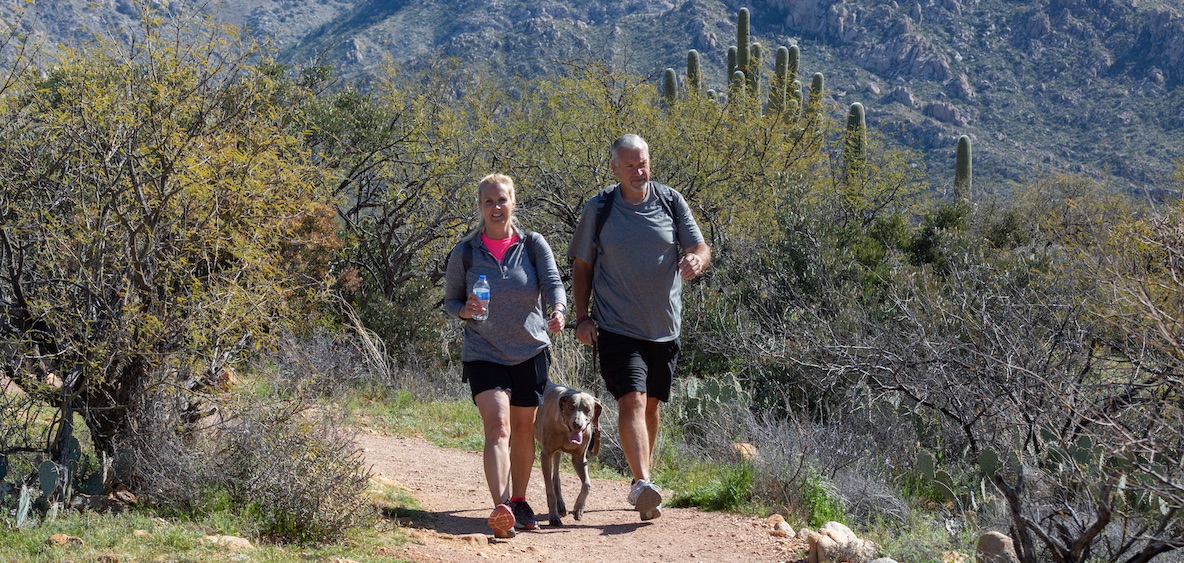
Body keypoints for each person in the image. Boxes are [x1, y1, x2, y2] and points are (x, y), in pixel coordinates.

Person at [567, 134, 711, 521]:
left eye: (643, 163)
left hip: (664, 326)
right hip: (616, 325)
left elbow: (700, 247)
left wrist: (697, 260)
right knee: (631, 399)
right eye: (630, 165)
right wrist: (582, 317)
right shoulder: (600, 208)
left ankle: (641, 480)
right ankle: (643, 483)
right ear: (615, 168)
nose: (638, 171)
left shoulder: (670, 201)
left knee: (650, 406)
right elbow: (582, 266)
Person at [444, 173, 567, 538]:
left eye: (502, 200)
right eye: (489, 201)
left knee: (525, 429)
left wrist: (558, 310)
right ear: (480, 207)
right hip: (484, 351)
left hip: (530, 350)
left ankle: (519, 500)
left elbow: (552, 283)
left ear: (514, 202)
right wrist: (464, 310)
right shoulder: (466, 251)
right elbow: (450, 301)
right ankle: (501, 507)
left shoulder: (532, 244)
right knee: (499, 426)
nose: (496, 207)